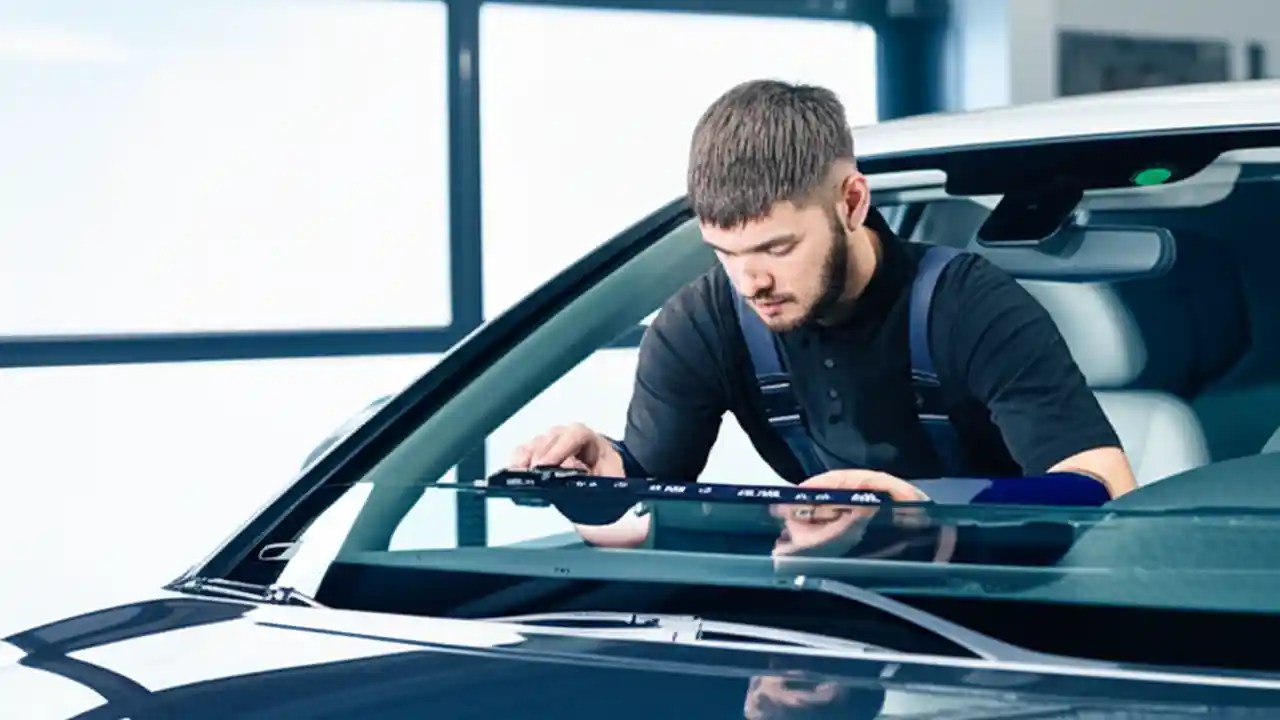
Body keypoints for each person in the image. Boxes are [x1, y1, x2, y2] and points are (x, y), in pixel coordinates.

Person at [508, 79, 1137, 546]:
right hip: (825, 621)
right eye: (725, 253)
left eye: (778, 248)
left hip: (1008, 614)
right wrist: (602, 480)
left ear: (852, 202)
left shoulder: (969, 305)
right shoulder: (703, 322)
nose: (751, 282)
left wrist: (925, 509)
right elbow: (643, 517)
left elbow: (1104, 487)